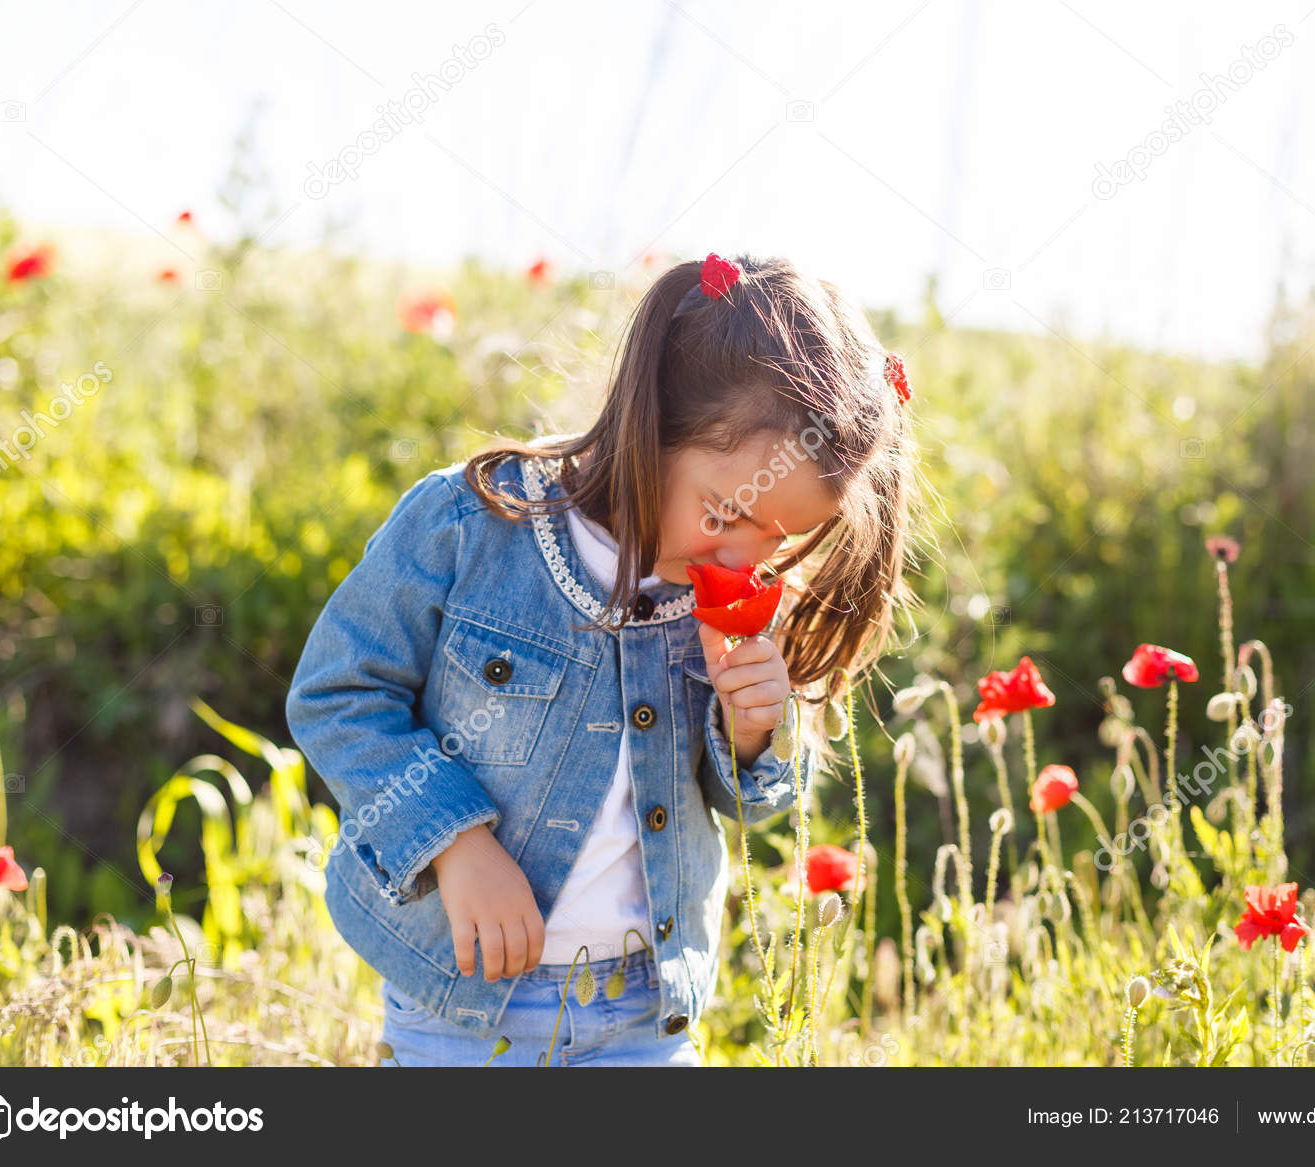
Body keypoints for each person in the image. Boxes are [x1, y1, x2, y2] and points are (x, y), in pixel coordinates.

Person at [285, 251, 922, 1066]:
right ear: (648, 426)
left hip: (639, 1013)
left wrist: (757, 730)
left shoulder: (737, 600)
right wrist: (456, 841)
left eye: (780, 535)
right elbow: (340, 694)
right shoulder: (470, 527)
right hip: (464, 1005)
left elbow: (752, 803)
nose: (745, 554)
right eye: (726, 512)